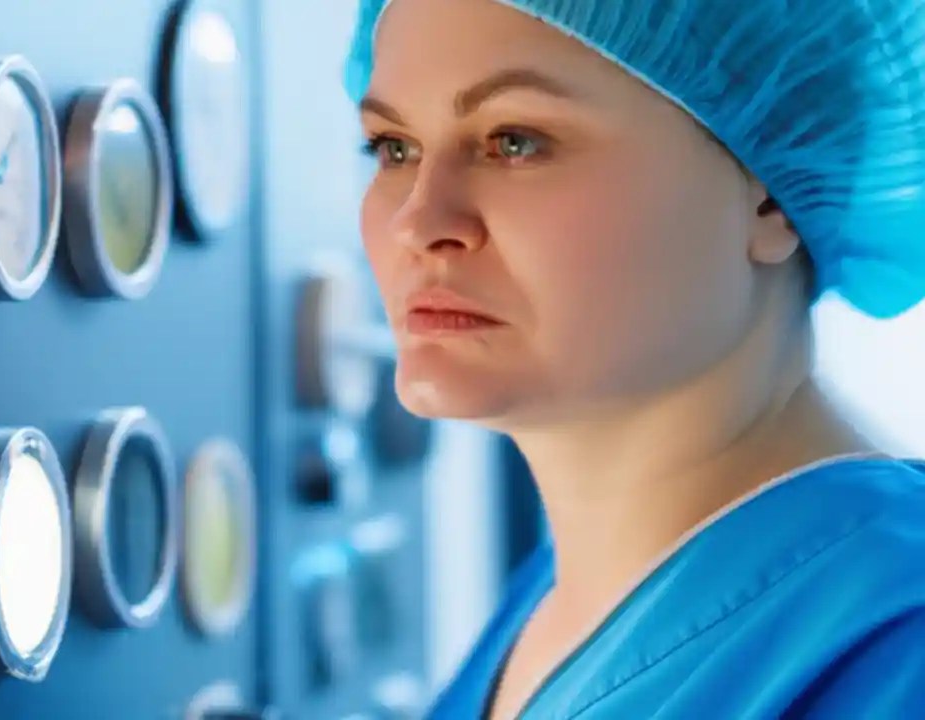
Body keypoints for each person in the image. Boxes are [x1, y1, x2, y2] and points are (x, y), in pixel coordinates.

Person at [342, 0, 925, 717]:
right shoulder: (566, 599)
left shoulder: (896, 645)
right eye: (393, 148)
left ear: (769, 201)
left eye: (514, 142)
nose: (418, 222)